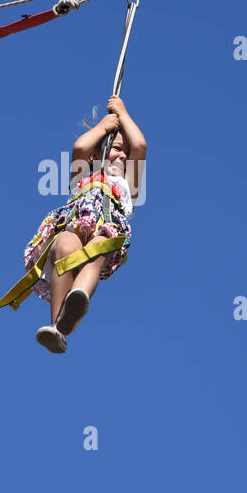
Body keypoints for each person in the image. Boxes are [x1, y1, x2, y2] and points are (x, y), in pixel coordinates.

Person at [25, 95, 146, 353]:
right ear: (97, 153)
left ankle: (78, 297)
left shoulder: (130, 184)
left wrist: (122, 113)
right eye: (116, 149)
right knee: (64, 249)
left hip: (107, 229)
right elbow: (80, 147)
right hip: (76, 222)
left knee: (97, 252)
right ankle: (58, 327)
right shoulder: (84, 173)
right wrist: (103, 127)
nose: (123, 156)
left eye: (126, 152)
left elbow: (140, 145)